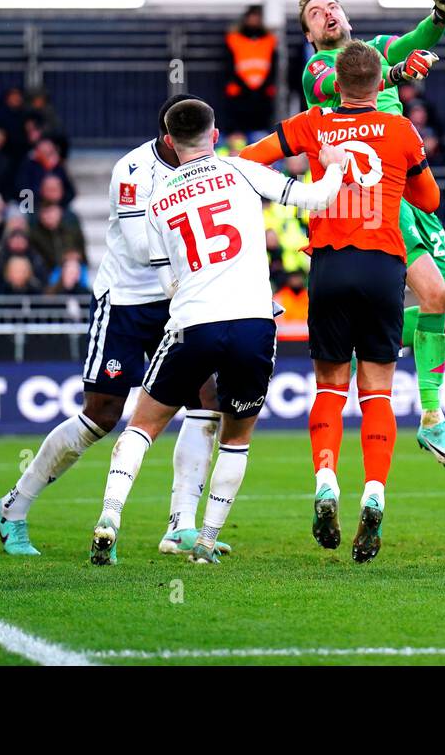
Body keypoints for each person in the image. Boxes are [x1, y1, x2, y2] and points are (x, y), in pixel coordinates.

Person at [90, 98, 346, 565]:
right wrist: (334, 168)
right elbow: (315, 199)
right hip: (252, 322)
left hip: (193, 322)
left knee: (143, 425)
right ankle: (206, 539)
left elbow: (167, 280)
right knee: (236, 436)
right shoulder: (243, 169)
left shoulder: (158, 197)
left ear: (169, 141)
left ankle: (110, 515)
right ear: (215, 133)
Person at [0, 96, 227, 558]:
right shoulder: (132, 171)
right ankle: (12, 507)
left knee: (207, 398)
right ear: (166, 137)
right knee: (101, 416)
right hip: (125, 303)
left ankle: (181, 525)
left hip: (178, 303)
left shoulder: (211, 165)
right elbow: (141, 247)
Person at [242, 40, 441, 563]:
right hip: (382, 265)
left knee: (330, 386)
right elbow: (431, 200)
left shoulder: (313, 124)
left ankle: (326, 479)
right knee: (376, 390)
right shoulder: (400, 129)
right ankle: (374, 492)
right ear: (380, 84)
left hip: (329, 265)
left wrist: (296, 191)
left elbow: (247, 161)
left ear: (336, 82)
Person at [293, 0, 445, 470]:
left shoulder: (373, 47)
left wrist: (441, 16)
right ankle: (432, 418)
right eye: (316, 14)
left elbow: (416, 40)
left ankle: (359, 353)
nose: (328, 13)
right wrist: (394, 74)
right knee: (434, 298)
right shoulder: (318, 68)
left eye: (333, 6)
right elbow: (341, 86)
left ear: (348, 17)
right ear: (310, 35)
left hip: (417, 191)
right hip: (378, 193)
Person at [223, 4, 279, 134]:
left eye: (257, 17)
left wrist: (265, 86)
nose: (254, 20)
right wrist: (242, 86)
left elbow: (273, 67)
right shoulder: (234, 39)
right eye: (251, 17)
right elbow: (228, 67)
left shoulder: (270, 40)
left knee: (260, 132)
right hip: (239, 93)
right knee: (238, 132)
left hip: (263, 93)